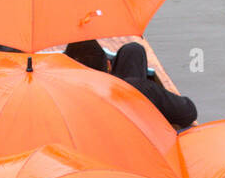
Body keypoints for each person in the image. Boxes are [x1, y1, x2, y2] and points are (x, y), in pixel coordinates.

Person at [64, 40, 198, 130]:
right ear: (108, 66)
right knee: (134, 52)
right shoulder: (136, 88)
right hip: (128, 126)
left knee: (133, 51)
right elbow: (188, 112)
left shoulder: (58, 97)